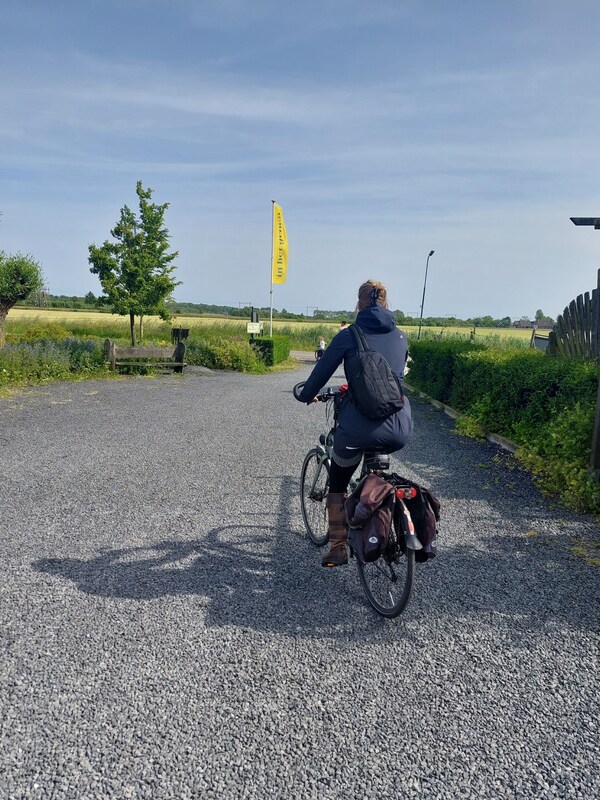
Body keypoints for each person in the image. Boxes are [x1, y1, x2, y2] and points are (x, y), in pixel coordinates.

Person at [296, 280, 413, 567]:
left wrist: (306, 395)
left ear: (359, 304)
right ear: (386, 303)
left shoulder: (349, 335)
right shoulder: (401, 336)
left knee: (338, 482)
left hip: (358, 428)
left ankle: (337, 545)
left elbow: (321, 373)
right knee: (373, 470)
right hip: (398, 427)